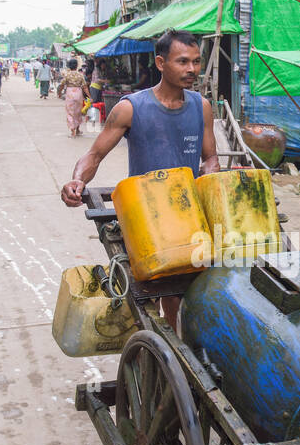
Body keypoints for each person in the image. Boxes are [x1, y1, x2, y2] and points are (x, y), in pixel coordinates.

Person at [61, 30, 219, 324]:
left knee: (182, 296)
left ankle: (177, 353)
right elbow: (94, 155)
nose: (192, 70)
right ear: (160, 63)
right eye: (182, 61)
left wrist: (211, 178)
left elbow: (209, 157)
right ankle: (162, 353)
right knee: (151, 296)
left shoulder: (202, 107)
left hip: (189, 216)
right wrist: (78, 181)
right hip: (146, 218)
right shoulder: (130, 108)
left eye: (197, 62)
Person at [57, 58, 88, 136]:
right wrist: (89, 96)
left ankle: (72, 131)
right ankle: (77, 129)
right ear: (77, 66)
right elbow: (84, 86)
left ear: (69, 66)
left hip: (70, 93)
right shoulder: (80, 75)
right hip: (78, 93)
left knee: (70, 112)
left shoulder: (67, 75)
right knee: (78, 112)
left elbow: (61, 85)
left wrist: (59, 93)